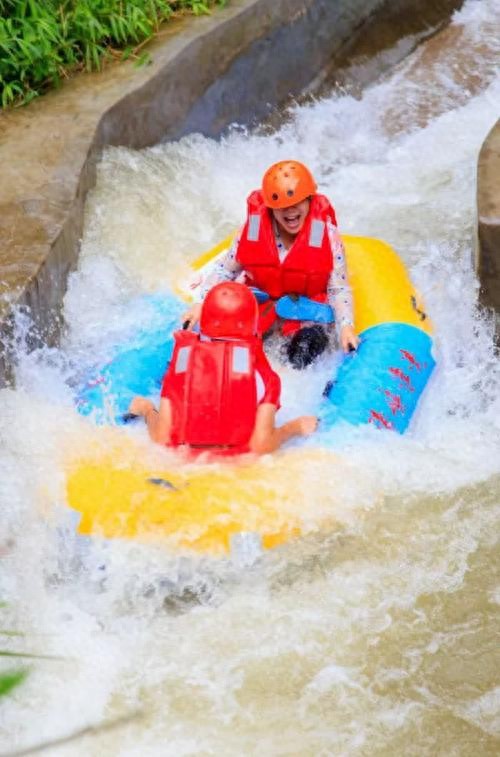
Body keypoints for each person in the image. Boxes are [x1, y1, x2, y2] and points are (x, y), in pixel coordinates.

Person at [182, 160, 359, 369]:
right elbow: (225, 269)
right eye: (281, 207)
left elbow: (338, 289)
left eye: (296, 203)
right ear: (270, 208)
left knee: (303, 353)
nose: (290, 212)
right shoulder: (252, 230)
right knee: (229, 350)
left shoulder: (327, 236)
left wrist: (346, 327)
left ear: (310, 200)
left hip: (305, 310)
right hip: (263, 306)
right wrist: (201, 303)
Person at [129, 282, 317, 454]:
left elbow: (162, 437)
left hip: (182, 462)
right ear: (253, 326)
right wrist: (294, 428)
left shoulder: (181, 362)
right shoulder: (265, 379)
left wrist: (148, 411)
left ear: (204, 322)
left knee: (151, 409)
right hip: (236, 466)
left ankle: (144, 407)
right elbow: (262, 446)